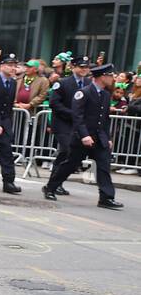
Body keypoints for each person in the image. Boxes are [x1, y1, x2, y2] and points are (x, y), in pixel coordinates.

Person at [42, 63, 124, 209]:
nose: (112, 78)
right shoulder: (84, 93)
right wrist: (84, 135)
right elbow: (78, 117)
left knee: (104, 166)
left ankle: (106, 197)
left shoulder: (105, 95)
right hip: (82, 137)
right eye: (110, 76)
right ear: (101, 77)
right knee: (70, 164)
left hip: (99, 137)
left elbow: (104, 119)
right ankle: (50, 187)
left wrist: (108, 138)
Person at [46, 56, 92, 196]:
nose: (84, 70)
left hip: (79, 125)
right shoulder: (62, 83)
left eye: (86, 67)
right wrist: (73, 113)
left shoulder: (89, 83)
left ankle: (55, 183)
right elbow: (54, 103)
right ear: (73, 67)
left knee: (68, 155)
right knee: (66, 150)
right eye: (81, 67)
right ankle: (54, 184)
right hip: (63, 123)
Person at [0, 53, 22, 194]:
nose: (12, 68)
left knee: (7, 151)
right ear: (2, 66)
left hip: (5, 121)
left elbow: (8, 105)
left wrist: (7, 123)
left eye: (15, 66)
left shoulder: (13, 82)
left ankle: (8, 181)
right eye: (9, 65)